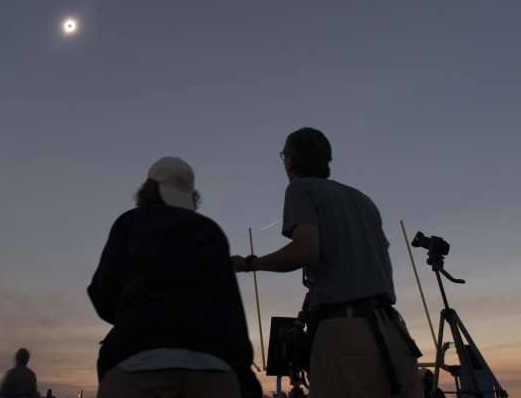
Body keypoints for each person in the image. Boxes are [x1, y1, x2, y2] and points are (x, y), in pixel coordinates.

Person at [232, 127, 423, 398]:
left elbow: (305, 250)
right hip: (395, 335)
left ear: (290, 161)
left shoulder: (300, 189)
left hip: (345, 336)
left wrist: (250, 263)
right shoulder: (363, 200)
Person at [89, 156, 262, 398]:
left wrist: (134, 317)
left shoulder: (128, 222)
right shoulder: (211, 231)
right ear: (191, 196)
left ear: (147, 190)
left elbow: (103, 296)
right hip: (213, 366)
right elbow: (231, 308)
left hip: (137, 361)